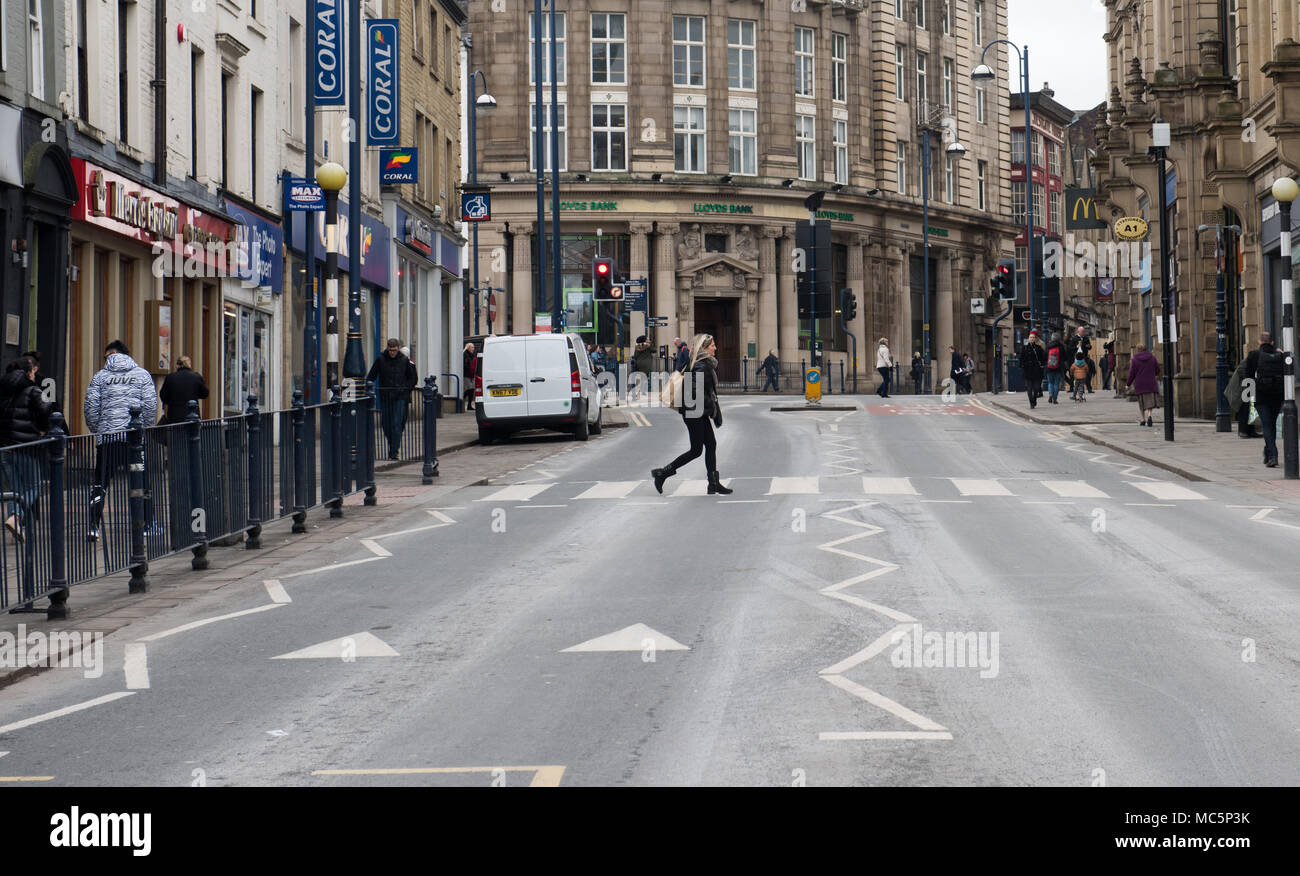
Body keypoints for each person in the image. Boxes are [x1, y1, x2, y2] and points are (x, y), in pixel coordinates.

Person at [84, 340, 158, 541]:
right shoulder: (142, 375)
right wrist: (143, 427)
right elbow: (151, 405)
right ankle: (145, 524)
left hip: (107, 440)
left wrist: (99, 429)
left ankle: (93, 526)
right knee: (140, 480)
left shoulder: (100, 377)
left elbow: (90, 408)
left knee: (101, 482)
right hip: (133, 440)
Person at [650, 333, 732, 496]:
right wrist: (710, 406)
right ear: (704, 349)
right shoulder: (702, 365)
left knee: (711, 444)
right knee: (696, 450)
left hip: (697, 412)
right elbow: (694, 391)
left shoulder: (701, 363)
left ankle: (713, 483)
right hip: (694, 412)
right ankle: (662, 473)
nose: (715, 348)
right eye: (712, 345)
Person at [0, 356, 53, 542]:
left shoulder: (4, 390)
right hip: (25, 447)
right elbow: (47, 410)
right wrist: (43, 429)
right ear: (29, 372)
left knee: (16, 490)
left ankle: (16, 523)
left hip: (5, 448)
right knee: (34, 487)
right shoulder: (33, 390)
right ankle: (15, 518)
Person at [368, 339, 419, 460]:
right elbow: (371, 376)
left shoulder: (404, 360)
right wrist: (369, 387)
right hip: (385, 397)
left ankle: (394, 451)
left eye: (394, 350)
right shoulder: (381, 359)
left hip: (400, 397)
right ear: (387, 348)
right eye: (390, 350)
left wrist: (405, 389)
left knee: (396, 424)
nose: (392, 353)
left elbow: (412, 378)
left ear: (398, 348)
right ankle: (393, 445)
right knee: (385, 425)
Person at [1245, 331, 1286, 467]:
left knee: (1267, 425)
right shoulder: (1280, 355)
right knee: (1271, 424)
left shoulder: (1253, 355)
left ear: (1259, 342)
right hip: (1277, 396)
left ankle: (1273, 455)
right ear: (1272, 342)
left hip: (1261, 396)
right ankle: (1268, 452)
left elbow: (1248, 377)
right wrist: (1283, 354)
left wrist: (1249, 397)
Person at [158, 356, 209, 425]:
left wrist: (169, 402)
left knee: (175, 435)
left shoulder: (171, 377)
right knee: (192, 435)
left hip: (174, 416)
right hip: (192, 415)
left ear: (177, 365)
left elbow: (163, 395)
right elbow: (205, 394)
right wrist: (194, 394)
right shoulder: (196, 377)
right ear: (189, 365)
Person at [1126, 342, 1160, 427]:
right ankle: (1149, 415)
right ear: (1145, 349)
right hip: (1150, 383)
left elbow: (1132, 373)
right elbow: (1158, 369)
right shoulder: (1152, 358)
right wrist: (1153, 374)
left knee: (1141, 402)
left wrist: (1128, 384)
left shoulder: (1134, 359)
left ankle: (1142, 420)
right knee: (1149, 401)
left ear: (1137, 350)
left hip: (1140, 384)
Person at [1020, 330, 1047, 409]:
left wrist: (1042, 365)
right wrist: (1022, 366)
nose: (1032, 339)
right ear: (1028, 339)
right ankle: (1031, 403)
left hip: (1036, 371)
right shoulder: (1024, 348)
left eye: (1033, 337)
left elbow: (1043, 358)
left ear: (1035, 339)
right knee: (1029, 388)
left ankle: (1034, 399)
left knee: (1036, 388)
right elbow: (1021, 358)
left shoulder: (1038, 348)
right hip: (1027, 371)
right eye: (1030, 337)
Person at [1044, 332, 1065, 404]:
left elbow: (1045, 356)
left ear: (1052, 338)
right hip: (1058, 368)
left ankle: (1050, 394)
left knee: (1050, 383)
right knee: (1056, 384)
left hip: (1049, 367)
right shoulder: (1061, 346)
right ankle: (1055, 399)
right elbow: (1065, 357)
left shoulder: (1048, 346)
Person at [462, 342, 477, 411]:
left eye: (473, 347)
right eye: (472, 347)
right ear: (468, 347)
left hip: (472, 374)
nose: (473, 348)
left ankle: (469, 405)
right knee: (469, 389)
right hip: (467, 374)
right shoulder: (465, 354)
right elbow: (466, 364)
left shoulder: (472, 354)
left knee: (472, 389)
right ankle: (462, 401)